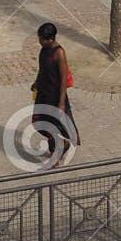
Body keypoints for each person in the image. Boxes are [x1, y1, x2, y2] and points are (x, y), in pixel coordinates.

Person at [31, 22, 77, 170]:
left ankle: (56, 156)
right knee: (38, 121)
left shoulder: (59, 52)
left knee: (52, 126)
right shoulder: (43, 50)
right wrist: (36, 82)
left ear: (50, 38)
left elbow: (63, 78)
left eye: (41, 39)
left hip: (55, 95)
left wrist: (61, 102)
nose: (39, 41)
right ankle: (62, 145)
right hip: (43, 92)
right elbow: (42, 69)